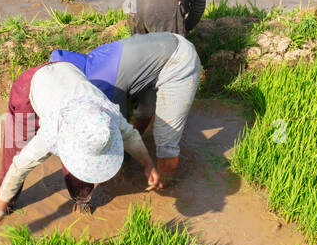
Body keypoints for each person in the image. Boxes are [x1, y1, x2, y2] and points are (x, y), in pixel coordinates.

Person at [0, 56, 162, 227]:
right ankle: (7, 203)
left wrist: (148, 163)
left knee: (85, 157)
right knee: (17, 145)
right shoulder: (52, 133)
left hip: (68, 70)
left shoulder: (108, 115)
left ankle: (81, 199)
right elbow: (20, 165)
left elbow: (130, 135)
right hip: (32, 86)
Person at [43, 33, 202, 185]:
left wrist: (119, 165)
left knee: (166, 140)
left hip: (179, 62)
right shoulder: (89, 62)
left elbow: (118, 129)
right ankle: (138, 148)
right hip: (162, 48)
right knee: (144, 112)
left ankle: (165, 187)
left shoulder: (102, 86)